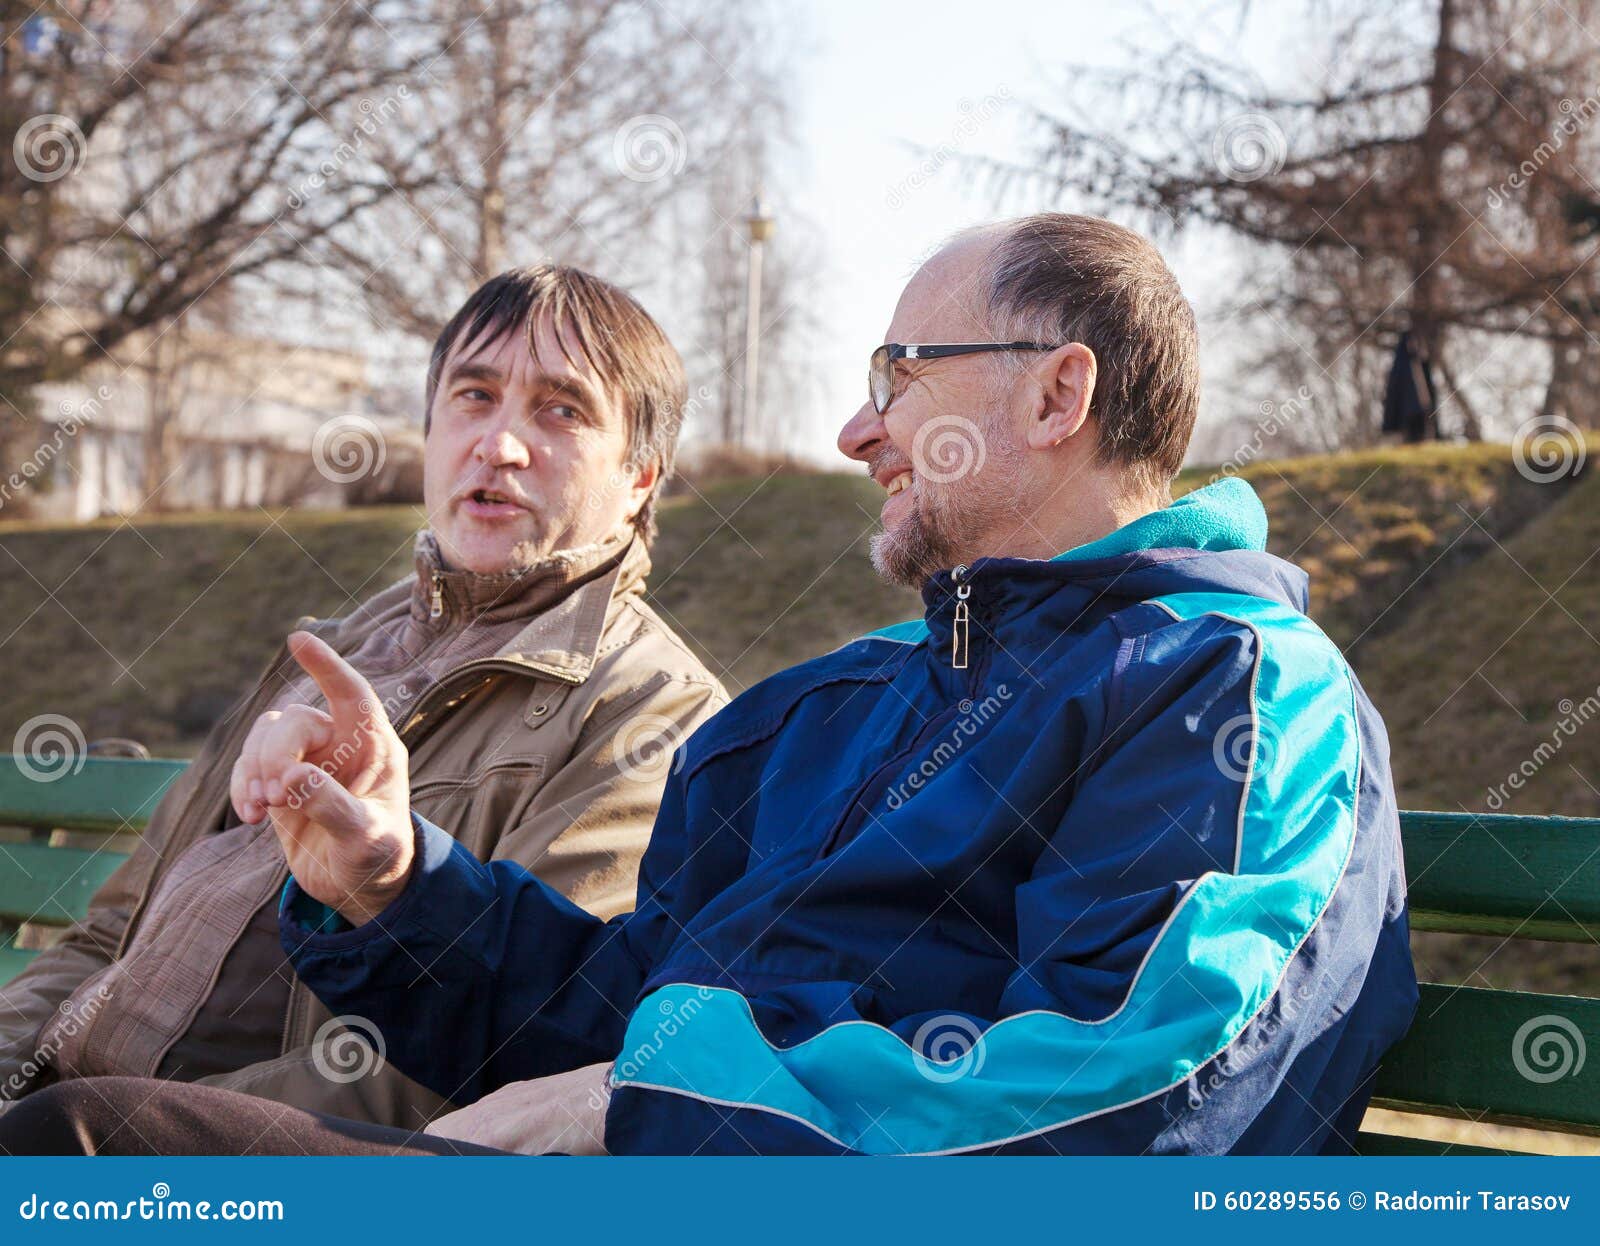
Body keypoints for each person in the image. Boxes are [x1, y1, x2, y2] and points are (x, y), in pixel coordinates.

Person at [0, 213, 1418, 1156]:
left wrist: (659, 1103)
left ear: (1058, 396)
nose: (857, 424)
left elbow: (1152, 1091)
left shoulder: (1234, 689)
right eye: (472, 401)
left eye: (899, 374)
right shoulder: (816, 716)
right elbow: (615, 1006)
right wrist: (391, 882)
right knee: (85, 1137)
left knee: (89, 1147)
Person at [0, 265, 726, 1132]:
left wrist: (106, 1131)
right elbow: (107, 932)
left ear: (641, 477)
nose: (498, 445)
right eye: (473, 396)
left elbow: (504, 1046)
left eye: (561, 410)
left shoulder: (653, 711)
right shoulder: (328, 652)